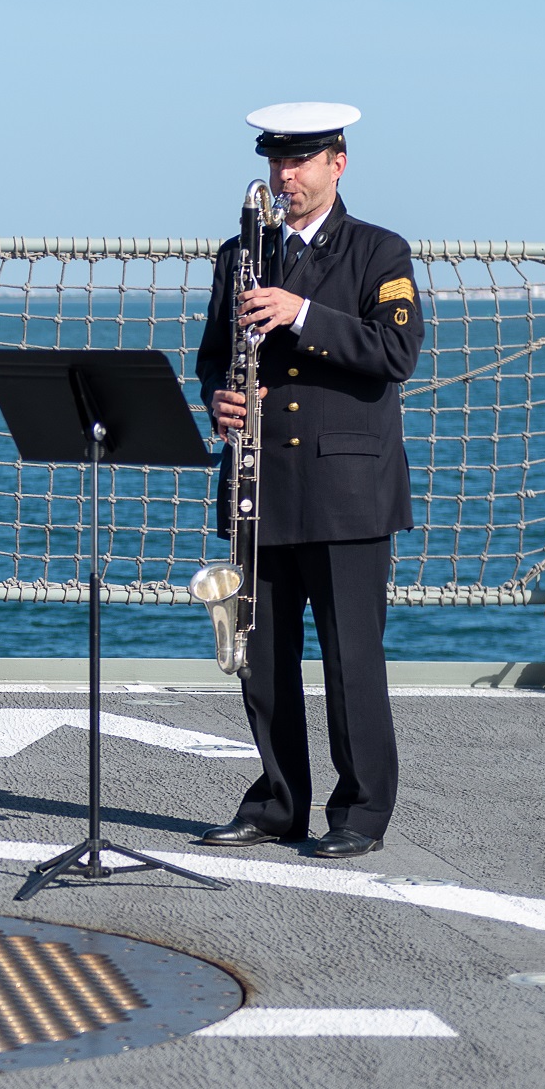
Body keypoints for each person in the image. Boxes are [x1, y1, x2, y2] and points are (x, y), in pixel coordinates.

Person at [192, 102, 422, 859]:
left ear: (337, 164)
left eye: (299, 161)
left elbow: (394, 353)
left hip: (346, 489)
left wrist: (301, 313)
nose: (284, 176)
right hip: (261, 483)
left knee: (351, 660)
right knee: (262, 658)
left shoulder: (378, 250)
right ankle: (276, 802)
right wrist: (220, 398)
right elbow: (213, 356)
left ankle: (360, 812)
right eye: (275, 162)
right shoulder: (240, 252)